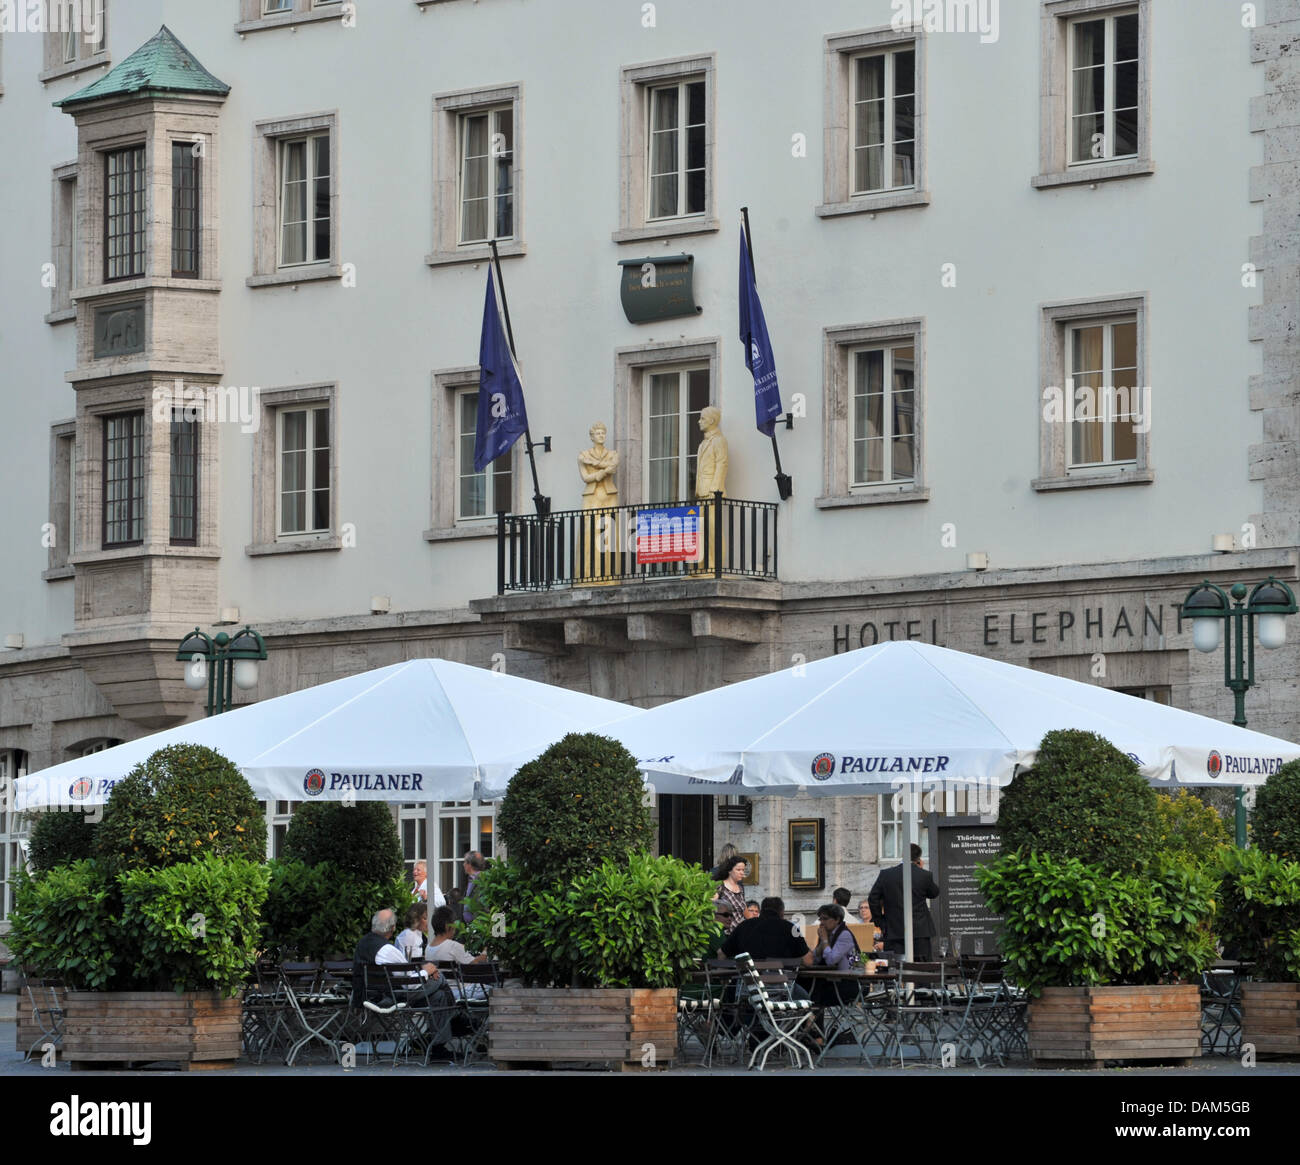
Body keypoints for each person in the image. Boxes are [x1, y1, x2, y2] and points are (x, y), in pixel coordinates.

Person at [867, 844, 941, 961]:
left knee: (896, 967)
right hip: (920, 931)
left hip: (893, 930)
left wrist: (880, 921)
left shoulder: (886, 875)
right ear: (918, 858)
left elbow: (873, 898)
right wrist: (920, 870)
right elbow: (934, 893)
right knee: (921, 967)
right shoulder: (924, 875)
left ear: (902, 854)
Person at [720, 897, 813, 965]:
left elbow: (721, 953)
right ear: (781, 912)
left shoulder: (744, 926)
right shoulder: (791, 928)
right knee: (804, 992)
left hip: (749, 987)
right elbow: (808, 961)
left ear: (762, 910)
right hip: (783, 987)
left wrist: (722, 975)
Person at [812, 904, 858, 972]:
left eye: (825, 919)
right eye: (820, 919)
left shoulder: (844, 935)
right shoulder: (828, 934)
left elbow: (831, 961)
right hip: (831, 977)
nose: (821, 923)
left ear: (837, 919)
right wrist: (822, 943)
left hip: (848, 978)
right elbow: (814, 961)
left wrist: (825, 940)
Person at [712, 856, 748, 935]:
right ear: (730, 870)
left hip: (738, 934)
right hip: (724, 933)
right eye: (738, 870)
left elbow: (745, 912)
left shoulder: (740, 889)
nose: (742, 872)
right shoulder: (720, 886)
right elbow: (711, 907)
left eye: (743, 870)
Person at [461, 851, 486, 924]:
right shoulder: (469, 879)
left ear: (470, 864)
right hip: (469, 925)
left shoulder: (483, 879)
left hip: (479, 924)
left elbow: (484, 903)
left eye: (465, 862)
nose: (463, 864)